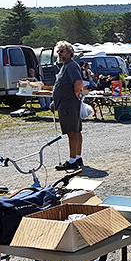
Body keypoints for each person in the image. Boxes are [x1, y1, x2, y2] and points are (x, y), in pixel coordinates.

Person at [51, 41, 85, 170]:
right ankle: (77, 157)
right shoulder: (65, 66)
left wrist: (76, 93)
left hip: (69, 104)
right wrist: (56, 100)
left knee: (72, 132)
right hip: (66, 103)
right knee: (76, 131)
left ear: (70, 53)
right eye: (58, 51)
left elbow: (78, 82)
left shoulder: (71, 66)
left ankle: (72, 161)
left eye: (62, 51)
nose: (59, 54)